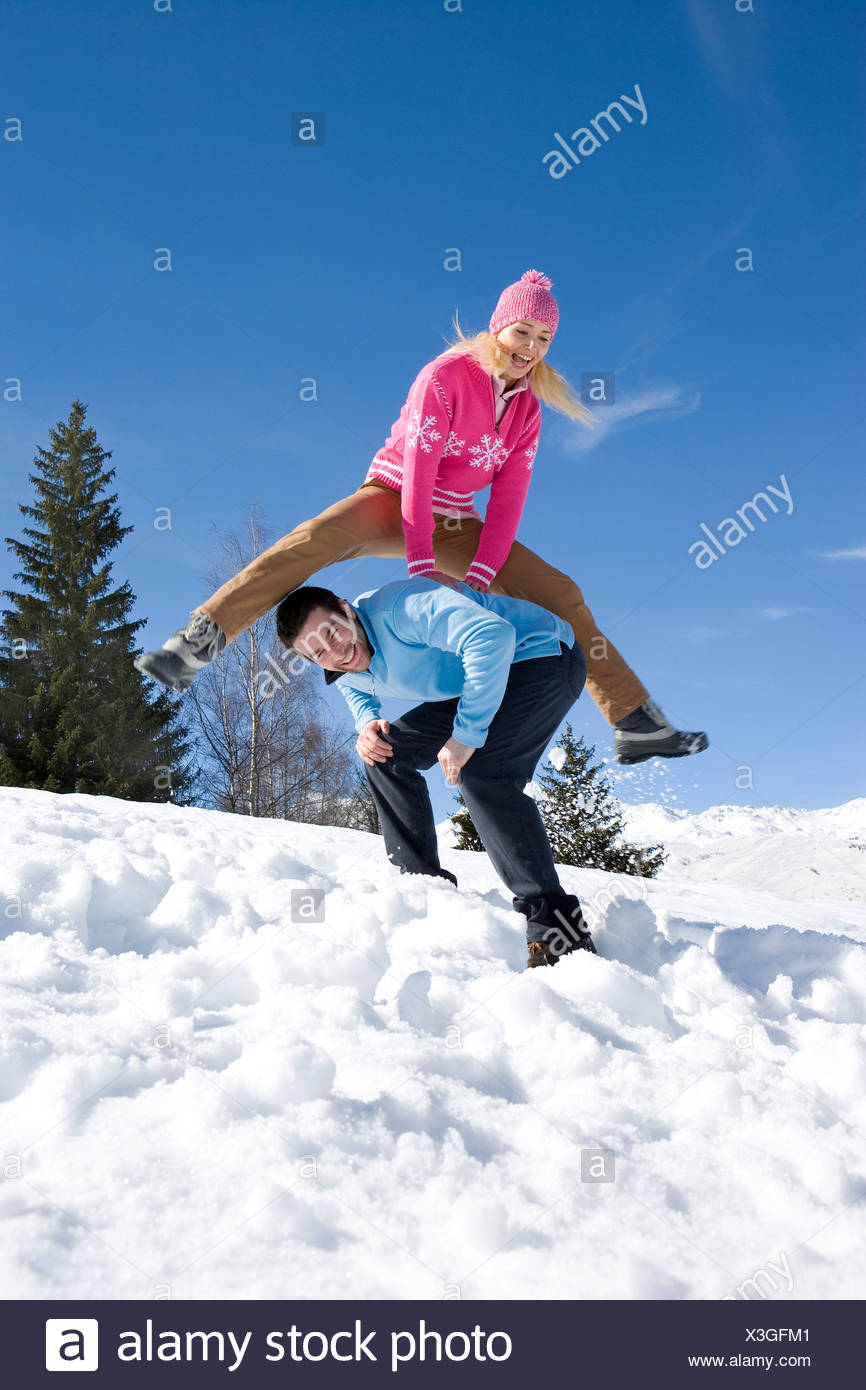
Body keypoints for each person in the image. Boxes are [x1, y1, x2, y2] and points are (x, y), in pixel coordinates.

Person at [135, 270, 707, 766]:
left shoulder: (528, 409)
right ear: (497, 329)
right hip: (394, 495)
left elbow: (507, 503)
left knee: (560, 590)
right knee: (312, 540)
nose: (529, 348)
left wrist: (477, 578)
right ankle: (197, 642)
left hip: (457, 519)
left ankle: (636, 722)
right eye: (521, 333)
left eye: (543, 338)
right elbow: (421, 468)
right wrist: (424, 567)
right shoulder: (447, 375)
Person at [275, 575, 598, 968]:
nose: (336, 653)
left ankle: (556, 928)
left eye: (333, 632)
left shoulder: (401, 607)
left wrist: (466, 735)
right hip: (476, 683)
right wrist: (367, 722)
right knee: (383, 753)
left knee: (483, 774)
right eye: (318, 653)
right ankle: (423, 886)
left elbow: (491, 636)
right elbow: (355, 688)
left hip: (541, 657)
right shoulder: (343, 665)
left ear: (345, 608)